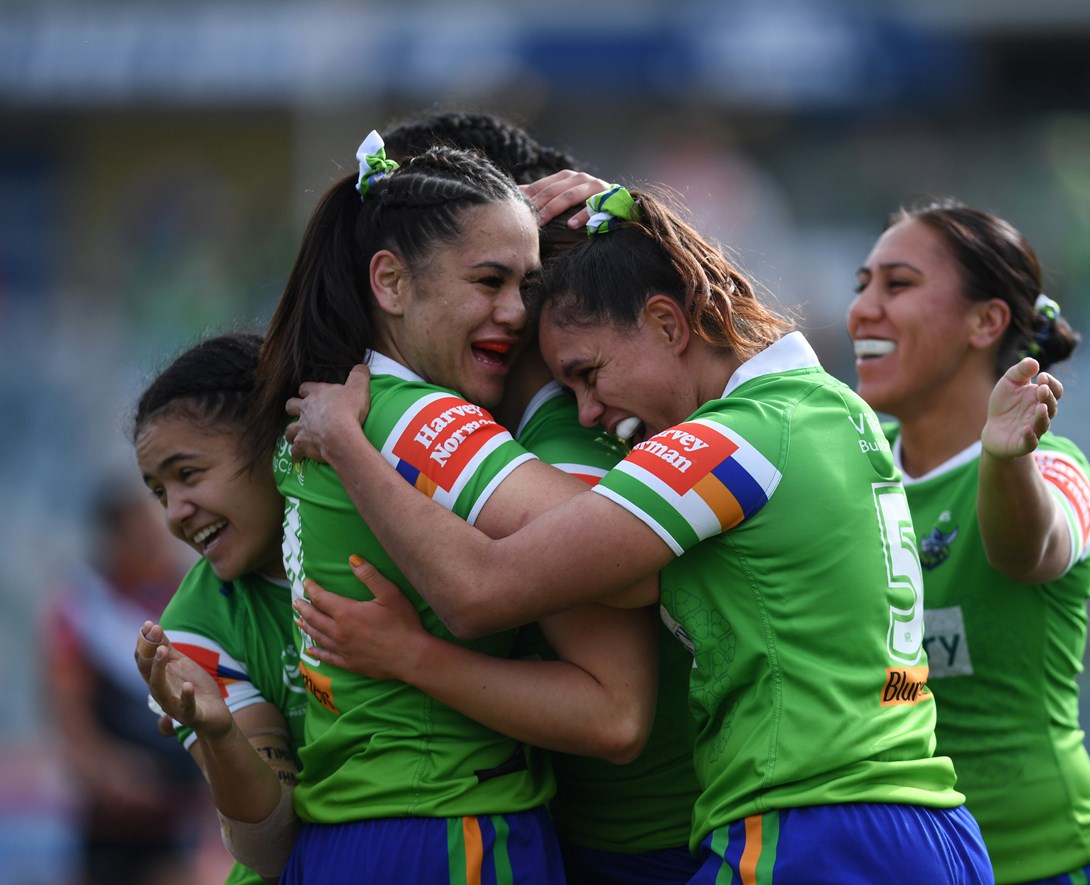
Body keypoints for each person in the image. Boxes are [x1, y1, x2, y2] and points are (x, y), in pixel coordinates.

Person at [285, 184, 994, 883]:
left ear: (666, 322)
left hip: (815, 828)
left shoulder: (732, 442)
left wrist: (346, 442)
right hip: (927, 818)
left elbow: (479, 590)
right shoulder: (832, 406)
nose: (589, 413)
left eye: (588, 374)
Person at [295, 110, 703, 885]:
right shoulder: (397, 409)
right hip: (442, 826)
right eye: (488, 277)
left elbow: (611, 685)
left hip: (637, 839)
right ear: (392, 276)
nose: (513, 308)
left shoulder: (545, 428)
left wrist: (413, 655)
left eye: (525, 278)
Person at [847, 197, 1090, 884]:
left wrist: (1004, 462)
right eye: (863, 285)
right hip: (909, 867)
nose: (862, 310)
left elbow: (1027, 551)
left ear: (986, 320)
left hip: (1048, 865)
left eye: (899, 284)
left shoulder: (1054, 466)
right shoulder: (851, 464)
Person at [131, 332, 309, 885]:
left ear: (271, 438)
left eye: (188, 475)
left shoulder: (386, 527)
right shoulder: (189, 632)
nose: (175, 515)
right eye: (160, 492)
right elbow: (271, 847)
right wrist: (220, 733)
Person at [43, 474, 208, 885]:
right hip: (113, 819)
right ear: (114, 540)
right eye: (142, 534)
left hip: (176, 810)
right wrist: (107, 770)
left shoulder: (181, 595)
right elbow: (70, 712)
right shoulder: (82, 609)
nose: (158, 542)